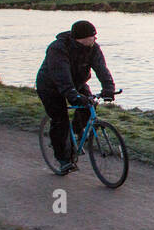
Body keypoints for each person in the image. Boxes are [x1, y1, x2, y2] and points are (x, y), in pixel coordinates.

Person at [36, 20, 116, 173]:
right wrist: (73, 95)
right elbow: (61, 77)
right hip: (50, 87)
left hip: (76, 83)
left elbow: (101, 69)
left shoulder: (93, 48)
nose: (95, 39)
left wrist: (108, 88)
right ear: (82, 38)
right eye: (93, 36)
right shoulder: (58, 49)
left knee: (89, 105)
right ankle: (64, 159)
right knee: (60, 120)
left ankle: (76, 133)